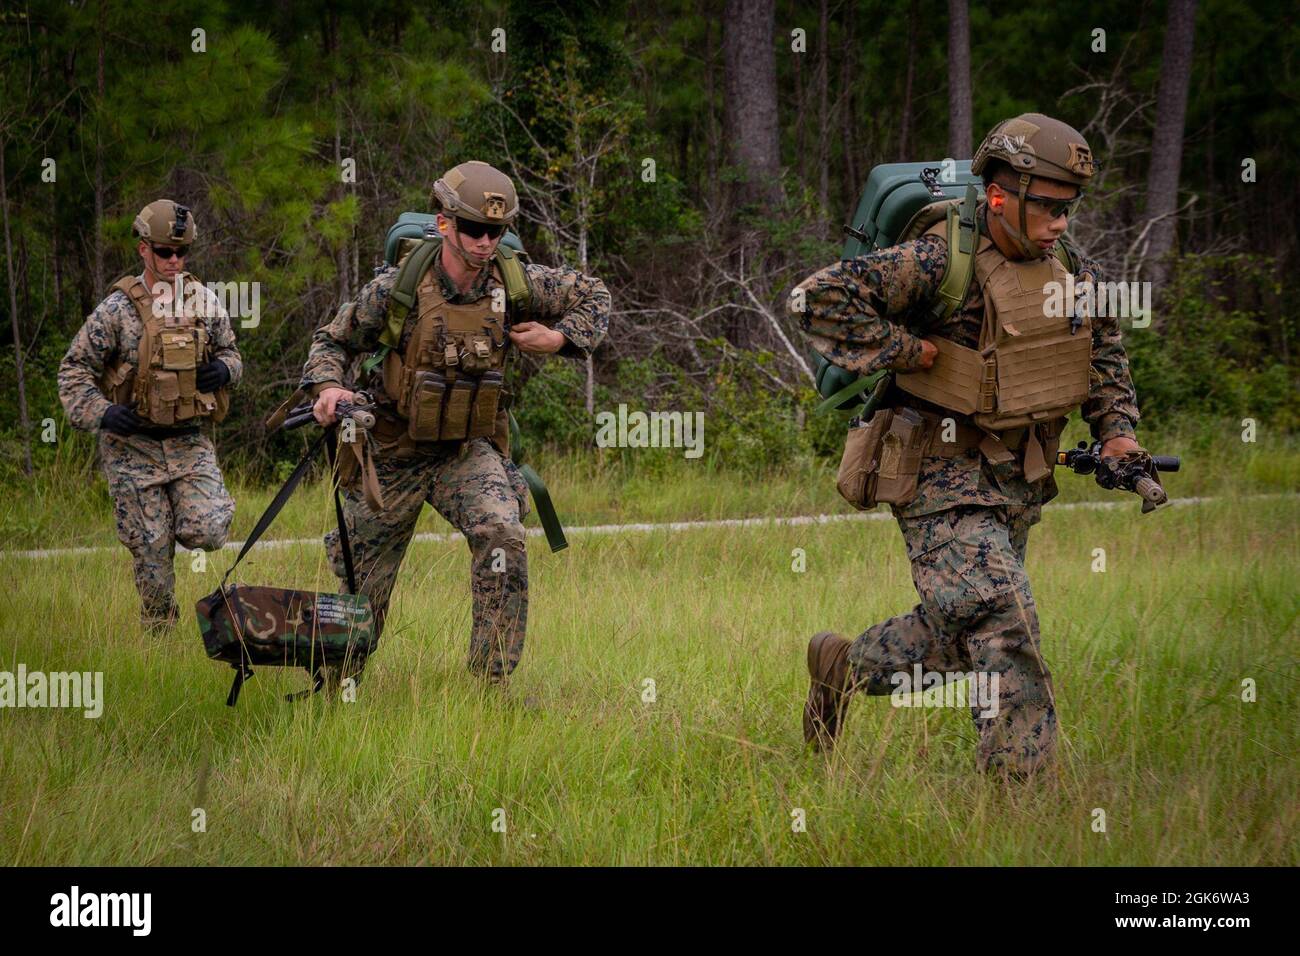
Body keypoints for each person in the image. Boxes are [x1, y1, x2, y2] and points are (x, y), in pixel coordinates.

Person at [794, 114, 1144, 776]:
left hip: (1017, 480)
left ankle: (843, 668)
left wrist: (1117, 430)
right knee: (1004, 617)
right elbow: (816, 299)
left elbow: (1103, 350)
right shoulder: (937, 259)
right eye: (1048, 206)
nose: (1062, 223)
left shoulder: (1069, 267)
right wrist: (906, 349)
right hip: (934, 471)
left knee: (964, 636)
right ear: (1000, 194)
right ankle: (1018, 801)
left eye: (1070, 208)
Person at [299, 161, 610, 687]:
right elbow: (330, 341)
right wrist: (329, 389)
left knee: (503, 533)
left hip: (466, 450)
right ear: (445, 223)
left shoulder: (515, 282)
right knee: (363, 587)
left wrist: (561, 340)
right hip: (394, 447)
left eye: (497, 231)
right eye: (474, 229)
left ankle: (490, 686)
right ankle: (337, 689)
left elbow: (594, 295)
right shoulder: (399, 287)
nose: (486, 242)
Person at [58, 199, 241, 629]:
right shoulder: (116, 312)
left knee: (209, 530)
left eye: (182, 253)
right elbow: (73, 372)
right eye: (164, 252)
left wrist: (223, 370)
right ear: (144, 249)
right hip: (133, 449)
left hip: (189, 442)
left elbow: (233, 355)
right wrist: (102, 414)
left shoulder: (204, 302)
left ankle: (170, 516)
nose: (174, 261)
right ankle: (158, 638)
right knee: (154, 568)